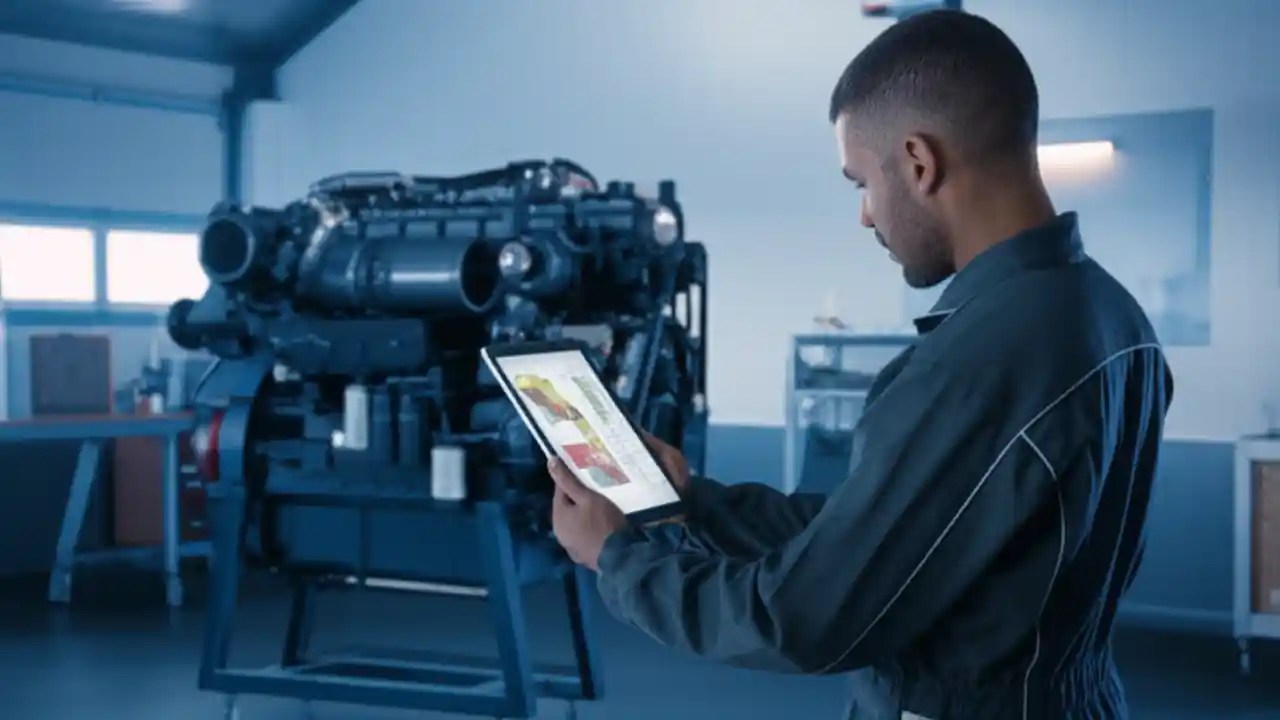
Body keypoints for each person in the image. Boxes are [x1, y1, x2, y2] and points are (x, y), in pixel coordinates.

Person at [545, 8, 1173, 720]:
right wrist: (699, 504)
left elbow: (802, 619)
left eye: (860, 184)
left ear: (918, 162)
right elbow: (887, 529)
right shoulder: (1113, 315)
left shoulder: (980, 360)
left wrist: (619, 559)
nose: (867, 216)